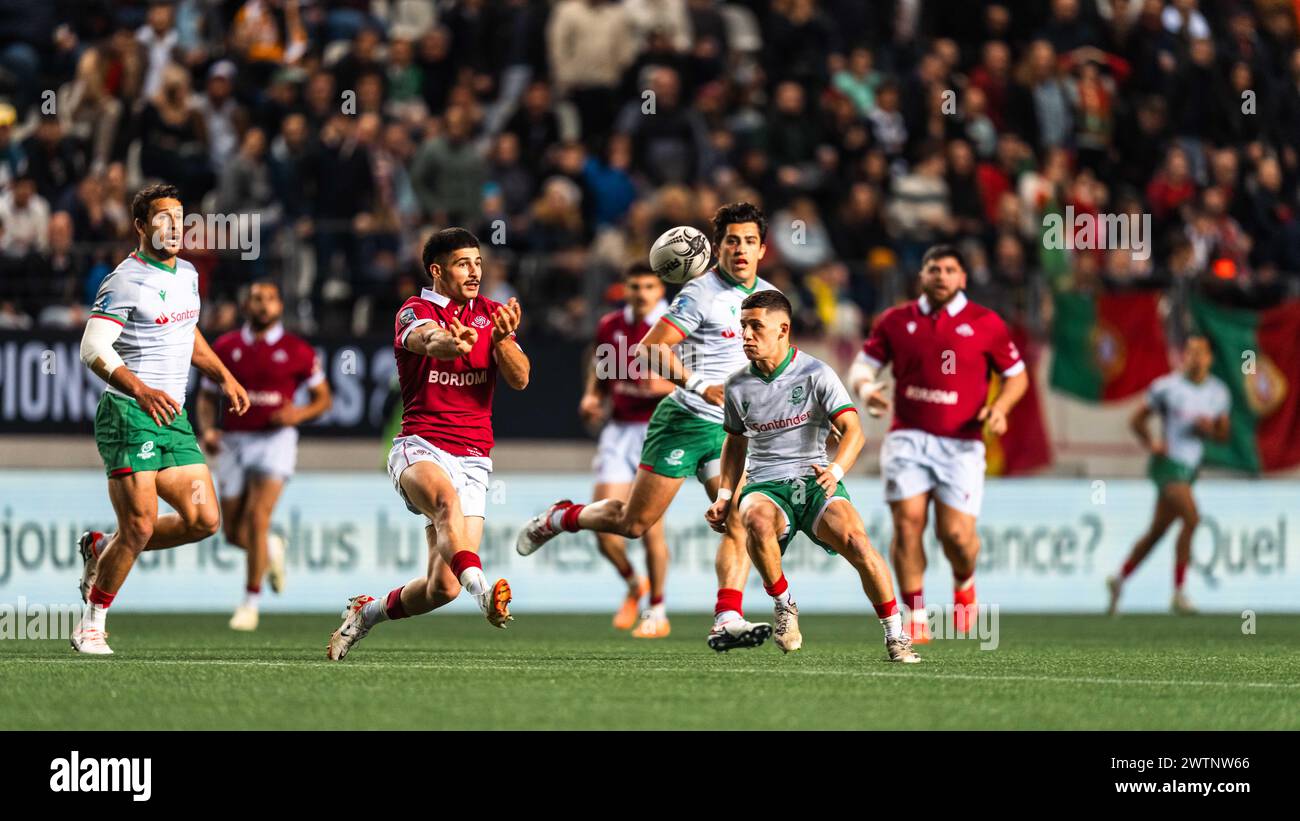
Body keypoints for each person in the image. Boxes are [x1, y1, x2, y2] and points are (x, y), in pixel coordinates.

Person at [516, 202, 776, 651]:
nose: (740, 249)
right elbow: (651, 350)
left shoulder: (768, 299)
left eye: (749, 241)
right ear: (717, 247)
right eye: (732, 240)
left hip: (730, 433)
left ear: (763, 249)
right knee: (634, 524)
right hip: (683, 421)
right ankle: (563, 517)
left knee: (740, 518)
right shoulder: (699, 293)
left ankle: (726, 617)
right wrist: (699, 385)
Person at [327, 228, 529, 660]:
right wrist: (450, 343)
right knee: (444, 505)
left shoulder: (492, 313)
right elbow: (427, 340)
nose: (475, 272)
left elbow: (521, 378)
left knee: (441, 588)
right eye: (463, 264)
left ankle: (367, 614)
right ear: (437, 270)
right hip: (420, 445)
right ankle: (484, 591)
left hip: (474, 456)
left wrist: (499, 341)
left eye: (477, 262)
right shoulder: (413, 310)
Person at [74, 183, 250, 655]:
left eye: (179, 218)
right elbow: (93, 347)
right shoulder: (124, 280)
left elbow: (186, 332)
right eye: (162, 218)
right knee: (141, 526)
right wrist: (142, 389)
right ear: (140, 227)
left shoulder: (188, 273)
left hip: (172, 416)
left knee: (204, 519)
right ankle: (92, 621)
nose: (174, 227)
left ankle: (101, 547)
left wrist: (223, 375)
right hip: (130, 413)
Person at [706, 290, 921, 662]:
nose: (745, 335)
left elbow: (854, 431)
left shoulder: (816, 373)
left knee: (857, 543)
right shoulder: (737, 384)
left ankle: (896, 635)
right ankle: (784, 604)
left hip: (815, 477)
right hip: (766, 483)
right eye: (742, 326)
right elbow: (735, 442)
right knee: (753, 517)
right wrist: (725, 495)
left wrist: (836, 470)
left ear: (783, 329)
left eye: (755, 326)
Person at [847, 245, 1028, 642]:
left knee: (957, 537)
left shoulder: (987, 323)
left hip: (962, 444)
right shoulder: (895, 321)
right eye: (934, 269)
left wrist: (1000, 408)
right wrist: (865, 389)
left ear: (963, 278)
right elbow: (863, 366)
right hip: (908, 438)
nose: (941, 275)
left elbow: (1017, 376)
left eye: (950, 269)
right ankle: (914, 614)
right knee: (908, 523)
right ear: (922, 276)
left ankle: (964, 583)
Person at [197, 280, 332, 631]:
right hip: (233, 441)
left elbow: (323, 399)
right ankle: (271, 548)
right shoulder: (225, 347)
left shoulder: (297, 350)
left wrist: (297, 414)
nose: (263, 305)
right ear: (246, 305)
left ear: (280, 307)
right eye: (257, 299)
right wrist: (208, 429)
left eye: (270, 300)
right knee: (232, 533)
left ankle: (250, 603)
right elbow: (207, 396)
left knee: (258, 517)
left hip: (275, 439)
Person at [578, 263, 674, 633]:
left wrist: (664, 387)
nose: (641, 293)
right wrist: (590, 396)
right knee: (603, 530)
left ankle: (657, 611)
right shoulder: (610, 325)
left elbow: (699, 381)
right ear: (626, 289)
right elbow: (599, 368)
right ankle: (636, 584)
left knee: (650, 528)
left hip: (659, 430)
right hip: (618, 431)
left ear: (659, 289)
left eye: (649, 286)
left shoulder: (675, 324)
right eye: (634, 286)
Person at [1107, 335, 1230, 615]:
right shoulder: (1167, 388)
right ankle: (1179, 592)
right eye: (1190, 352)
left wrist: (1209, 429)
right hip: (1167, 465)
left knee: (1157, 532)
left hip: (1190, 471)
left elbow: (1224, 435)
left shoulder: (1218, 392)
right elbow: (1136, 420)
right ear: (1183, 356)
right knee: (1192, 518)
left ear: (1209, 358)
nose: (1195, 357)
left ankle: (1118, 579)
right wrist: (1151, 443)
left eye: (1201, 353)